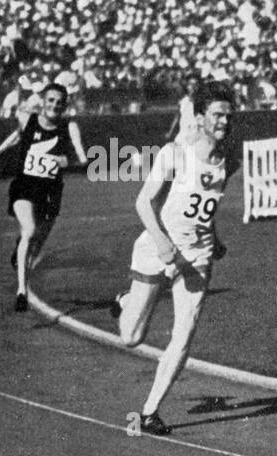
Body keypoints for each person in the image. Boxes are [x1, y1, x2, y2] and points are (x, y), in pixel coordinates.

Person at [108, 81, 238, 436]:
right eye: (217, 115)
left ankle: (150, 411)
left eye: (229, 115)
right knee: (130, 338)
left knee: (187, 328)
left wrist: (215, 237)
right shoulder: (175, 153)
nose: (224, 122)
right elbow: (143, 202)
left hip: (197, 254)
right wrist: (164, 244)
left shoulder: (232, 158)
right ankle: (126, 301)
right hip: (157, 245)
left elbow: (205, 206)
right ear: (199, 117)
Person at [0, 82, 86, 313]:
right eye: (50, 100)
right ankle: (21, 291)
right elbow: (13, 140)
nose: (54, 105)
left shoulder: (69, 127)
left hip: (51, 191)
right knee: (29, 230)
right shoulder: (29, 121)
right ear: (43, 102)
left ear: (64, 105)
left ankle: (22, 248)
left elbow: (83, 159)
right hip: (26, 186)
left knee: (35, 245)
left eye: (59, 102)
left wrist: (69, 161)